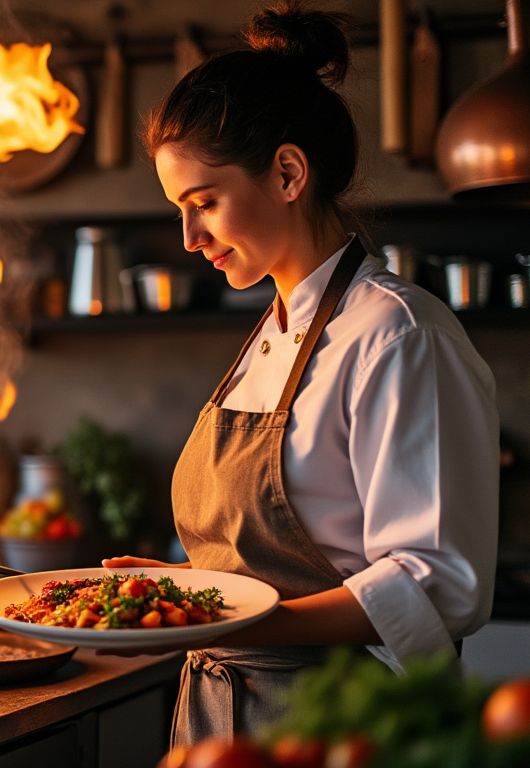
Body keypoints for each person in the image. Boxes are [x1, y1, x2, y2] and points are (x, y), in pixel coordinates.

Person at [101, 1, 498, 748]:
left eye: (204, 203)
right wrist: (181, 591)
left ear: (287, 172)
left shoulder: (395, 333)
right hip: (221, 722)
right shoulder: (268, 335)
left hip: (341, 724)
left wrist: (240, 614)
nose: (190, 238)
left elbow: (437, 580)